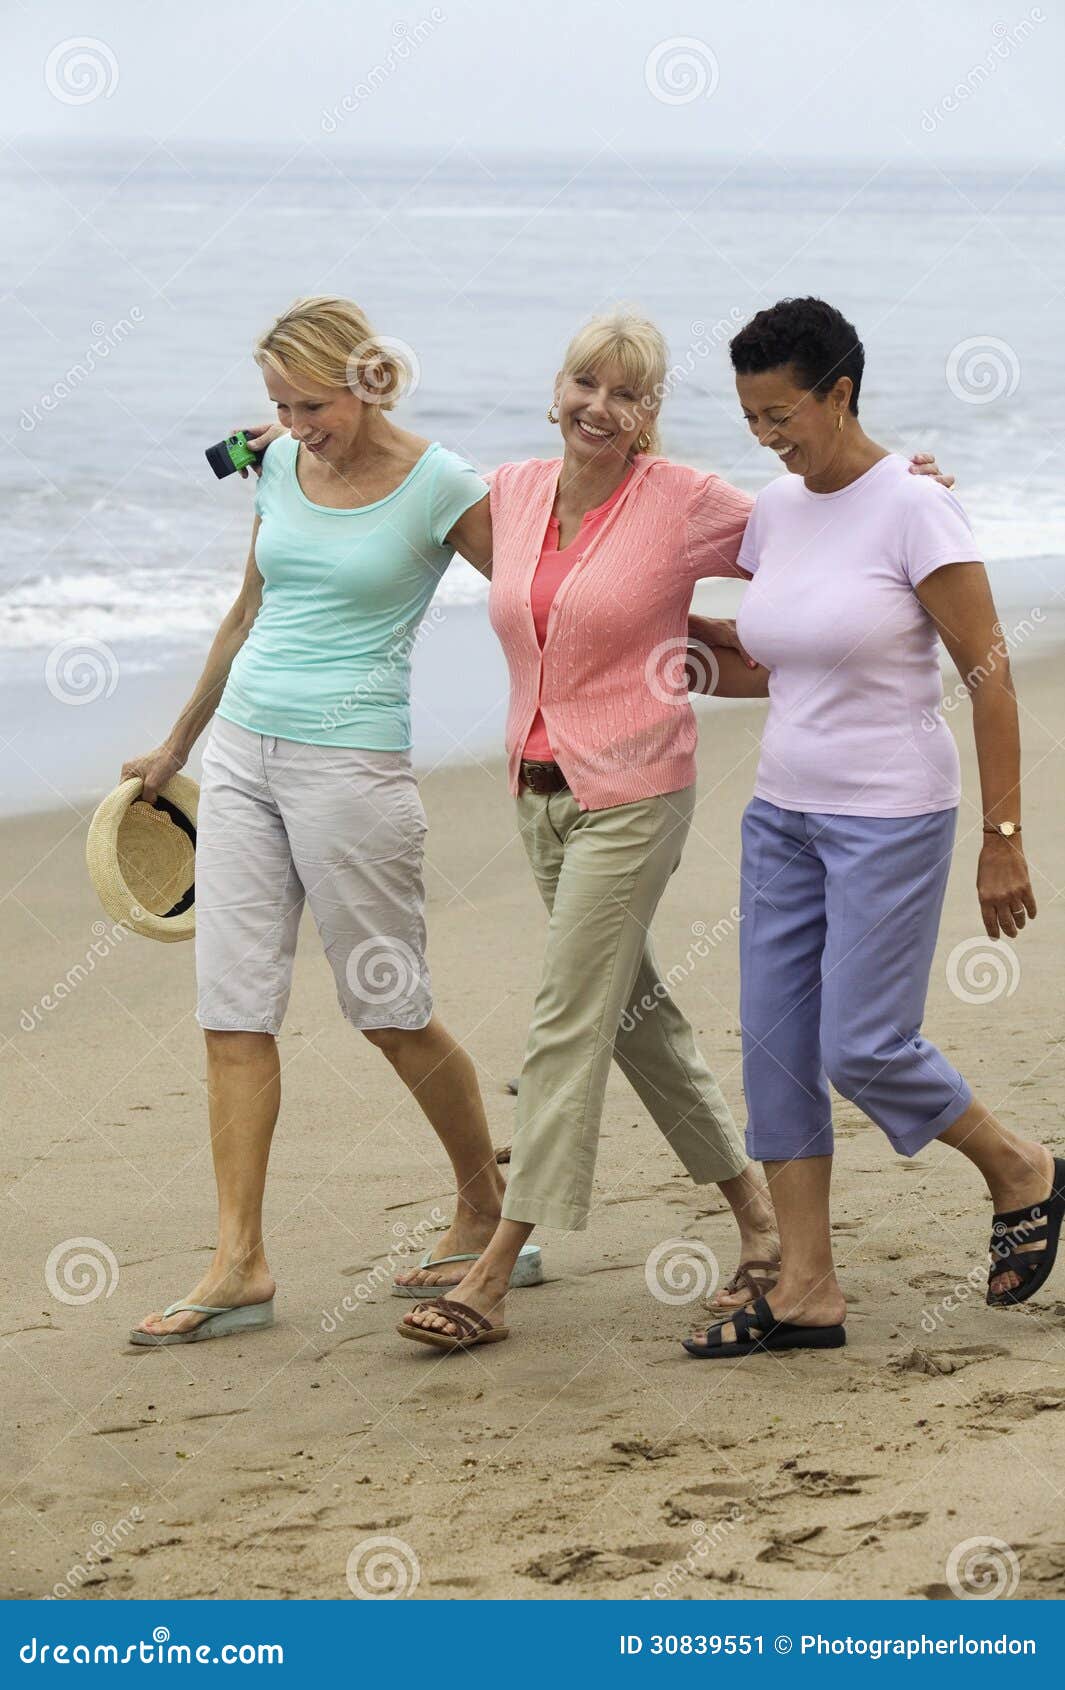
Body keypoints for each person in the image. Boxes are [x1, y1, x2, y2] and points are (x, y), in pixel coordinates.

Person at [398, 308, 952, 1352]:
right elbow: (402, 488)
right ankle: (755, 1214)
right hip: (537, 792)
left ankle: (494, 1270)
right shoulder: (512, 494)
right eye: (586, 384)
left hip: (636, 793)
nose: (599, 408)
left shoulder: (683, 502)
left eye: (627, 394)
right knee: (633, 1014)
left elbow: (825, 522)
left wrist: (906, 487)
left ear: (650, 414)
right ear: (556, 390)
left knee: (566, 1018)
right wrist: (296, 438)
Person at [125, 295, 518, 1344]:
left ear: (370, 383)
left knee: (389, 1008)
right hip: (242, 757)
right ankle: (239, 1262)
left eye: (313, 406)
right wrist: (176, 748)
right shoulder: (274, 464)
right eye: (280, 406)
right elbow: (247, 610)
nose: (296, 427)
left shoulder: (441, 483)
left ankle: (484, 1206)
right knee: (231, 1011)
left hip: (352, 771)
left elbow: (536, 599)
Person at [683, 297, 1060, 1360]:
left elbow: (988, 676)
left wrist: (1002, 835)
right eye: (750, 418)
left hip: (890, 815)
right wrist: (673, 648)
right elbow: (783, 664)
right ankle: (807, 1290)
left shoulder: (916, 508)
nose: (767, 436)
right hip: (782, 817)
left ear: (839, 392)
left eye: (781, 414)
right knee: (776, 1047)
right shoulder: (775, 510)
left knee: (862, 1044)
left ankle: (1020, 1166)